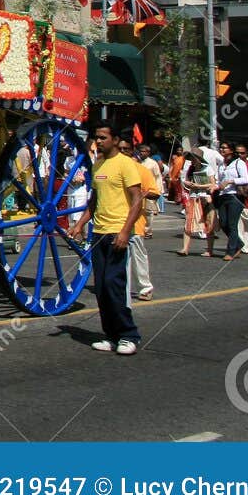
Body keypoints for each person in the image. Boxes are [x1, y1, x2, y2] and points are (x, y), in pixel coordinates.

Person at [72, 125, 146, 356]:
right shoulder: (98, 164)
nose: (99, 141)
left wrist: (125, 231)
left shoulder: (126, 164)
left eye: (103, 137)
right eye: (97, 137)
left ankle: (128, 335)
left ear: (115, 139)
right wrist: (80, 224)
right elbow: (94, 200)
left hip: (117, 232)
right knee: (102, 288)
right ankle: (111, 335)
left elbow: (137, 200)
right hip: (99, 233)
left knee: (114, 285)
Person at [123, 135, 160, 301]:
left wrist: (141, 192)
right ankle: (120, 288)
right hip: (113, 222)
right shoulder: (109, 167)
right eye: (120, 149)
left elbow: (155, 193)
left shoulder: (141, 170)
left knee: (137, 255)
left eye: (126, 149)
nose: (123, 152)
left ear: (132, 151)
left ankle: (145, 287)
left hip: (135, 222)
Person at [213, 142, 248, 262]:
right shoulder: (221, 164)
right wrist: (215, 186)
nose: (222, 149)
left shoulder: (238, 163)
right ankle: (239, 243)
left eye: (224, 148)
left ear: (231, 150)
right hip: (222, 195)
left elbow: (245, 179)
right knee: (223, 223)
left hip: (235, 196)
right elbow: (219, 180)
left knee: (232, 223)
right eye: (221, 148)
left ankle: (231, 251)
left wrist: (230, 181)